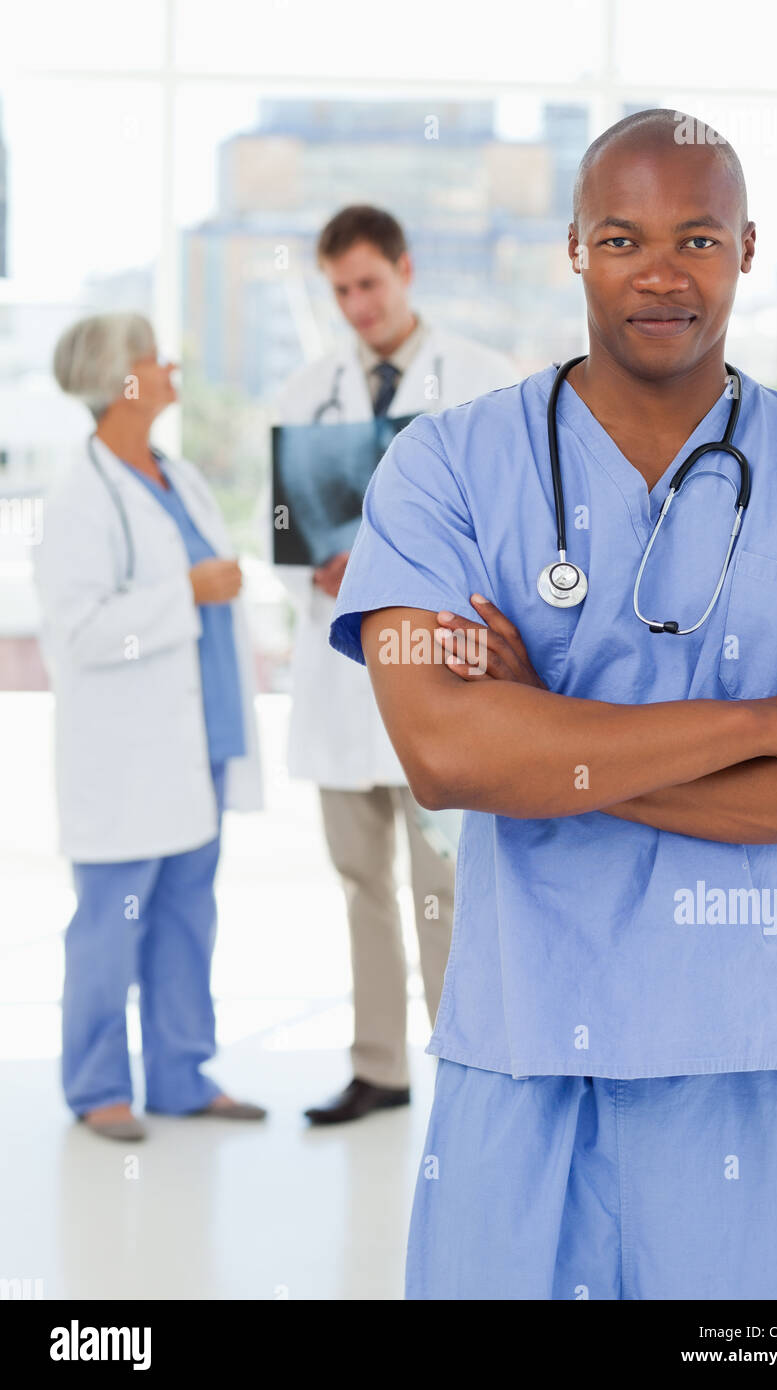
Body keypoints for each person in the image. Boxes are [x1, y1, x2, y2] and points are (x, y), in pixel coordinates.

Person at [328, 111, 777, 1298]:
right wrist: (774, 724)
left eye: (698, 237)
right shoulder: (444, 467)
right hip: (524, 1053)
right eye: (622, 238)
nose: (661, 272)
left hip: (759, 1063)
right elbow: (445, 755)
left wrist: (547, 737)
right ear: (574, 247)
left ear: (747, 249)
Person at [275, 206, 517, 1125]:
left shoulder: (483, 382)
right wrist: (319, 567)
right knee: (360, 882)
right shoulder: (307, 393)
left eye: (369, 284)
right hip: (343, 676)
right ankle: (378, 1067)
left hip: (440, 670)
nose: (357, 306)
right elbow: (286, 533)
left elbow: (508, 526)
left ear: (405, 271)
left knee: (447, 886)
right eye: (339, 291)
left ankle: (464, 1063)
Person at [36, 313, 266, 1142]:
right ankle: (98, 1088)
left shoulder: (174, 476)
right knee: (111, 923)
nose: (170, 365)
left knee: (185, 917)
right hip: (127, 760)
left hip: (196, 741)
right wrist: (190, 595)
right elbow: (77, 633)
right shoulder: (79, 499)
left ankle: (180, 1075)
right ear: (123, 380)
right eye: (152, 357)